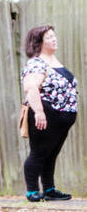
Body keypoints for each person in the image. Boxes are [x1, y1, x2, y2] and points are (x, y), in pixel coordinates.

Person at [22, 25, 78, 202]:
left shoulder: (56, 62)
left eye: (54, 36)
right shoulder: (37, 63)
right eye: (49, 37)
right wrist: (39, 112)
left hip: (63, 118)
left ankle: (49, 189)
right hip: (46, 115)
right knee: (38, 153)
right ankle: (32, 191)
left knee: (51, 154)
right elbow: (30, 88)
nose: (54, 39)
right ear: (39, 42)